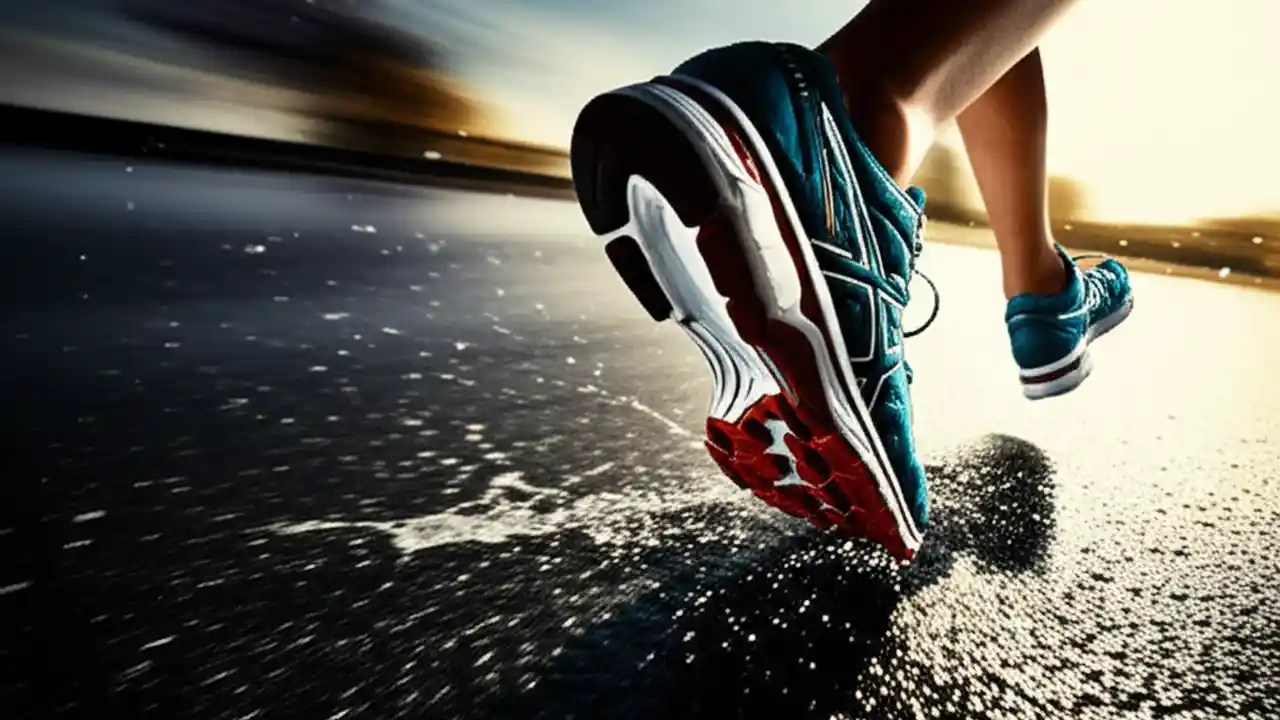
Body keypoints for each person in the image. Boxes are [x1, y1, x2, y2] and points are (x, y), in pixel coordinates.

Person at [569, 0, 1133, 561]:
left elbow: (983, 46)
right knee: (912, 79)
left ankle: (1043, 289)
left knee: (985, 38)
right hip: (821, 108)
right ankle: (853, 131)